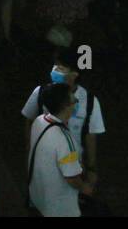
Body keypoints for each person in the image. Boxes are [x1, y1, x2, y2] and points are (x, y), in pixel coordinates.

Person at [20, 46, 104, 203]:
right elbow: (28, 121)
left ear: (75, 74)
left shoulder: (90, 102)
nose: (55, 70)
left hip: (75, 168)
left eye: (61, 67)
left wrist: (91, 168)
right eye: (55, 65)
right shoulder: (41, 93)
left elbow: (90, 137)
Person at [27, 82, 91, 216]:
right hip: (59, 210)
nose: (76, 101)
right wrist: (85, 187)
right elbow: (71, 177)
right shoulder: (64, 139)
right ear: (66, 106)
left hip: (39, 200)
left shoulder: (39, 121)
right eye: (74, 99)